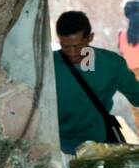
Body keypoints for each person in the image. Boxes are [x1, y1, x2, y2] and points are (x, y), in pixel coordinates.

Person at [53, 10, 139, 155]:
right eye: (66, 46)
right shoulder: (48, 66)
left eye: (78, 46)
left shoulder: (112, 64)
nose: (72, 53)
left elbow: (136, 95)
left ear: (90, 38)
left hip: (100, 144)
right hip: (60, 146)